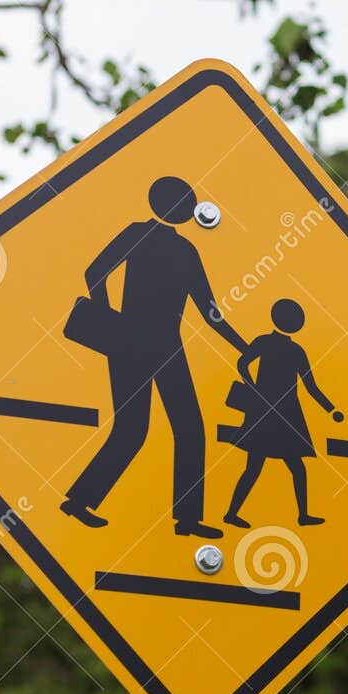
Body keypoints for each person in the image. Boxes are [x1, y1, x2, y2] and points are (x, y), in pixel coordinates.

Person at [60, 176, 244, 538]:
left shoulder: (179, 248)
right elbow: (94, 272)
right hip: (140, 343)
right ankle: (84, 502)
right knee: (151, 429)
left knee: (172, 429)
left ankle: (183, 520)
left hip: (153, 345)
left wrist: (244, 347)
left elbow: (208, 310)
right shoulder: (152, 238)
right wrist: (110, 323)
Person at [223, 299, 343, 529]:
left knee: (276, 467)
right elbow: (310, 386)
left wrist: (331, 409)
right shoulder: (289, 349)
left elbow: (243, 364)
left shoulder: (281, 346)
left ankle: (301, 515)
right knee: (270, 467)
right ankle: (233, 513)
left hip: (279, 414)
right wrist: (331, 409)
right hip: (275, 414)